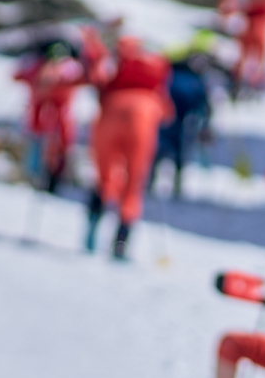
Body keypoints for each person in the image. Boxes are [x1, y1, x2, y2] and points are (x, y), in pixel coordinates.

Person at [83, 30, 171, 260]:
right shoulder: (158, 65)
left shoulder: (116, 59)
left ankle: (91, 231)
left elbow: (97, 78)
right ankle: (121, 241)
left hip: (110, 113)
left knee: (104, 176)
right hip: (144, 116)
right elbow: (168, 111)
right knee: (134, 181)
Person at [10, 38, 85, 193]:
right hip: (41, 123)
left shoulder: (67, 69)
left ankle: (52, 180)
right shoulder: (39, 67)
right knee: (37, 153)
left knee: (55, 154)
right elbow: (17, 75)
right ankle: (38, 179)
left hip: (57, 123)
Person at [156, 37, 220, 201]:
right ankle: (164, 182)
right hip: (174, 118)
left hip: (175, 118)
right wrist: (205, 125)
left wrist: (205, 123)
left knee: (168, 148)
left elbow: (204, 105)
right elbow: (204, 105)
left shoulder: (174, 73)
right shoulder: (194, 78)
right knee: (170, 148)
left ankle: (168, 183)